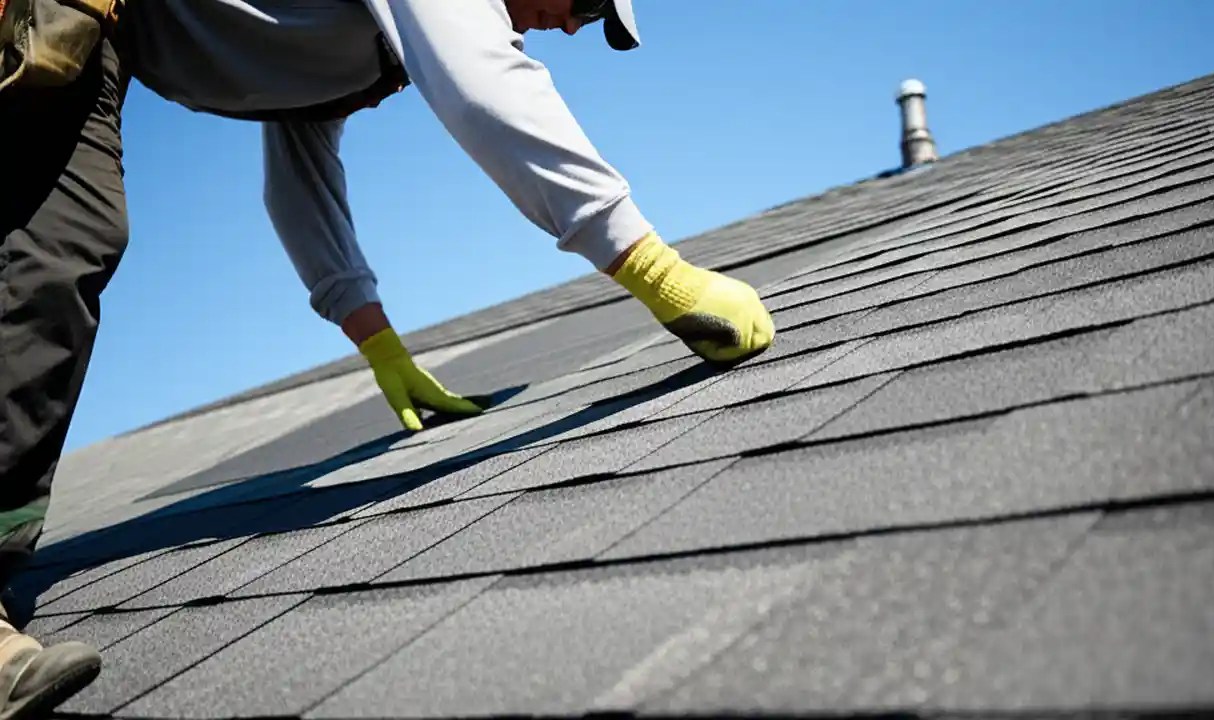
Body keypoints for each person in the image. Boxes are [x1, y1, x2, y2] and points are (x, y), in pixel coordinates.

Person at [0, 0, 773, 714]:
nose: (573, 27)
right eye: (584, 4)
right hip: (64, 17)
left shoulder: (355, 42)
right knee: (54, 254)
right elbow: (481, 87)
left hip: (112, 35)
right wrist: (655, 270)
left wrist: (379, 346)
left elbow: (298, 182)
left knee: (60, 249)